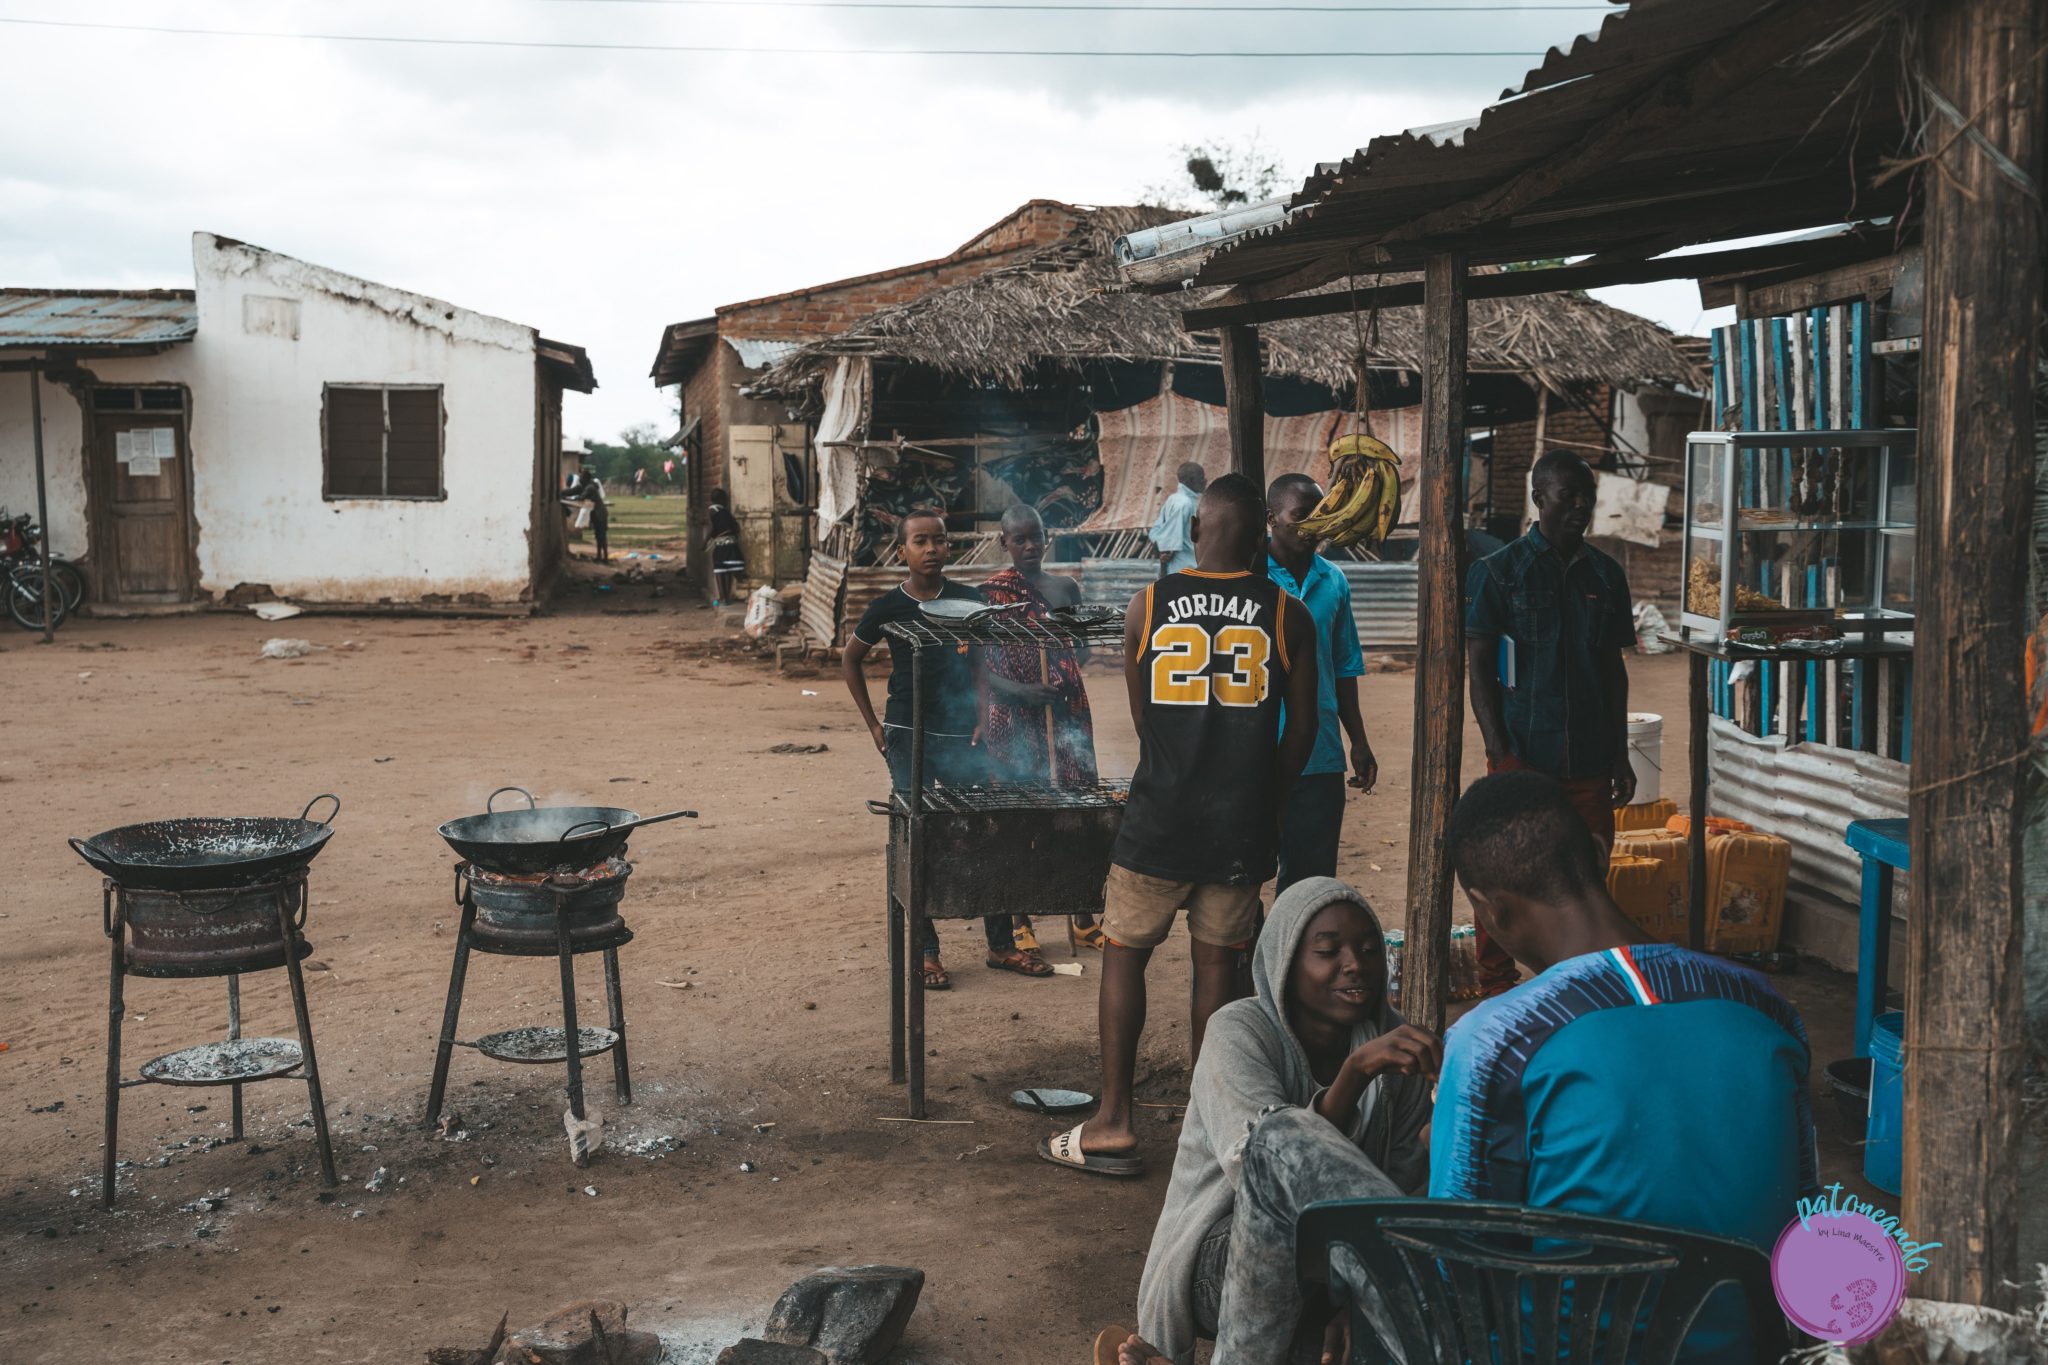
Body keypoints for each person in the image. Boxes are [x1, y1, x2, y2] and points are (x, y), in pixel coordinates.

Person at [1437, 770, 1817, 1363]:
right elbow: (1804, 1211)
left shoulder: (1496, 1041)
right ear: (1597, 853)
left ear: (1488, 912)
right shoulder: (1767, 1009)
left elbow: (1461, 1264)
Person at [1039, 474, 1318, 1179]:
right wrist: (1269, 801)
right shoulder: (1289, 614)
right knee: (1215, 970)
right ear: (1261, 540)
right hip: (1238, 827)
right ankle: (1207, 1128)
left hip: (1159, 818)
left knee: (1124, 955)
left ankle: (1113, 1120)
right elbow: (1304, 732)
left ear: (1195, 531)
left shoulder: (1147, 606)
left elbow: (1143, 718)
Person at [1097, 877, 1437, 1365]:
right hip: (1224, 1256)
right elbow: (1266, 1168)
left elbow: (1399, 1191)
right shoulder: (1237, 1032)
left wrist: (1358, 1303)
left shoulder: (1395, 1044)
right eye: (1327, 950)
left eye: (1368, 949)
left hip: (1340, 1267)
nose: (1354, 964)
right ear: (1284, 962)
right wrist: (1356, 1073)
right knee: (1295, 1226)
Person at [842, 508, 1044, 987]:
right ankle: (927, 953)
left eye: (939, 540)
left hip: (961, 736)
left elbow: (978, 660)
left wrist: (980, 712)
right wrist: (874, 725)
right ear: (902, 551)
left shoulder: (967, 599)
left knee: (982, 833)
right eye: (920, 541)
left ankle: (1000, 945)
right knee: (918, 838)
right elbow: (850, 660)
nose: (931, 549)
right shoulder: (888, 607)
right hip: (907, 736)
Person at [1463, 448, 1635, 997]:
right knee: (1505, 877)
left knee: (1586, 878)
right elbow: (1480, 670)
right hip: (1521, 755)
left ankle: (1576, 986)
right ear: (1540, 498)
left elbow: (1612, 670)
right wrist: (1500, 753)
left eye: (1588, 496)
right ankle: (1497, 987)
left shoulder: (1607, 576)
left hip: (1586, 760)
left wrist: (1620, 752)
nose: (1581, 505)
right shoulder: (1497, 573)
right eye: (1569, 494)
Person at [978, 503, 1107, 953]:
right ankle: (1021, 919)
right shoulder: (989, 595)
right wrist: (1021, 690)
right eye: (1020, 539)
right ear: (1005, 543)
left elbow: (1084, 647)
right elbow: (979, 669)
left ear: (1047, 537)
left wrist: (1061, 674)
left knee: (1075, 811)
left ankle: (1082, 916)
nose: (1030, 546)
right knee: (1023, 814)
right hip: (1015, 720)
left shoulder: (1065, 587)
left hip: (1066, 713)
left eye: (1036, 537)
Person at [1265, 473, 1378, 891]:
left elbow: (1344, 665)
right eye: (1301, 515)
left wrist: (1359, 741)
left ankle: (1292, 958)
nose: (1314, 524)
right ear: (1271, 518)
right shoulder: (1248, 577)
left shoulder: (1334, 580)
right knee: (1238, 887)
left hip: (1320, 754)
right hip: (1255, 751)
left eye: (1321, 514)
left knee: (1309, 883)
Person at [1149, 462, 1207, 577]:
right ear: (1191, 481)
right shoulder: (1184, 503)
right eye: (1201, 477)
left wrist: (1160, 545)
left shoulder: (1174, 499)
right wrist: (1166, 550)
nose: (1205, 480)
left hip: (1179, 569)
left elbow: (1155, 530)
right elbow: (1170, 539)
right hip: (1185, 568)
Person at [706, 488, 745, 606]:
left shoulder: (711, 511)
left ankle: (722, 597)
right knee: (728, 572)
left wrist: (704, 543)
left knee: (720, 571)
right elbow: (736, 528)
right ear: (723, 500)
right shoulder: (725, 512)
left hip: (720, 546)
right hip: (731, 545)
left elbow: (711, 529)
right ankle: (726, 598)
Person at [575, 471, 610, 563]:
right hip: (599, 513)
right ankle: (600, 556)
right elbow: (575, 491)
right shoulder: (590, 486)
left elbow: (581, 497)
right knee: (599, 536)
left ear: (585, 479)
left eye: (581, 478)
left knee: (601, 536)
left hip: (599, 514)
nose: (579, 479)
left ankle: (605, 557)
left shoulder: (590, 488)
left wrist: (575, 497)